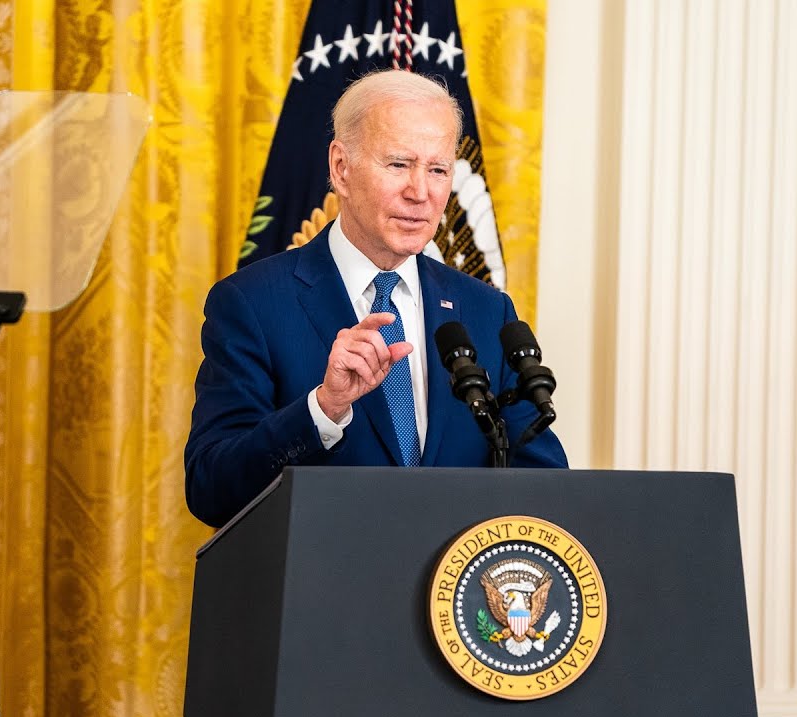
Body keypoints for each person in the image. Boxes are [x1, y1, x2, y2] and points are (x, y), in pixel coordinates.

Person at [184, 70, 567, 528]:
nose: (420, 192)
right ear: (341, 168)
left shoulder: (486, 311)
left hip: (453, 596)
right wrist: (324, 407)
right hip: (320, 592)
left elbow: (545, 488)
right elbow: (211, 489)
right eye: (399, 164)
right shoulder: (252, 304)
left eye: (439, 170)